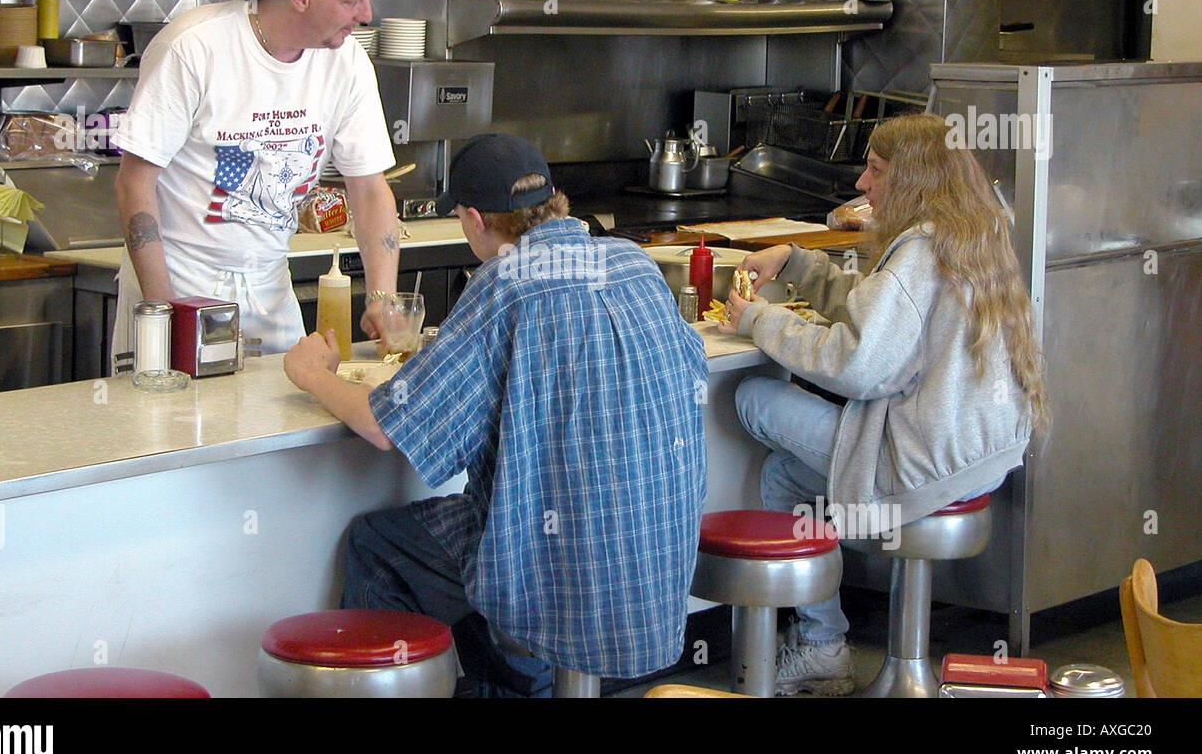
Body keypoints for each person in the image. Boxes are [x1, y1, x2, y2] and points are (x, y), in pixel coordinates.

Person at [283, 133, 709, 697]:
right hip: (657, 563)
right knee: (491, 528)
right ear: (553, 197)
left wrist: (313, 373)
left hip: (562, 574)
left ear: (478, 218)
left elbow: (389, 429)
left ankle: (518, 677)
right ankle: (516, 680)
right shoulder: (635, 263)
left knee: (380, 543)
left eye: (460, 218)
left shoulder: (504, 285)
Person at [719, 112, 1047, 696]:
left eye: (875, 169)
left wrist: (758, 321)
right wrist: (796, 262)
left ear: (913, 178)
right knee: (784, 474)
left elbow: (858, 366)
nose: (862, 184)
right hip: (978, 456)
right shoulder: (973, 232)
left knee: (753, 399)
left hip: (923, 464)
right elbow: (882, 313)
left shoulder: (919, 253)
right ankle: (825, 647)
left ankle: (823, 645)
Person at [111, 0, 401, 365]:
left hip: (269, 289)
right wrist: (163, 310)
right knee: (170, 429)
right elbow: (135, 181)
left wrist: (382, 294)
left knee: (278, 428)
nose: (365, 16)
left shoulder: (347, 64)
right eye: (351, 2)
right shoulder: (195, 47)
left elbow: (369, 188)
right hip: (178, 284)